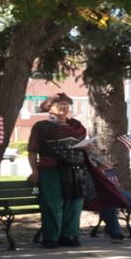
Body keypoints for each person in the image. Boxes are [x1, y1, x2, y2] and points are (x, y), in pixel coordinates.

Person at [27, 92, 89, 249]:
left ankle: (69, 235)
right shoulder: (41, 127)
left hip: (75, 169)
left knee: (75, 203)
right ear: (49, 108)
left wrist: (87, 148)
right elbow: (33, 151)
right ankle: (51, 237)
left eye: (66, 104)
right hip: (50, 170)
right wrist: (35, 171)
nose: (63, 106)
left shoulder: (77, 126)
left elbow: (85, 147)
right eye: (59, 104)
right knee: (52, 203)